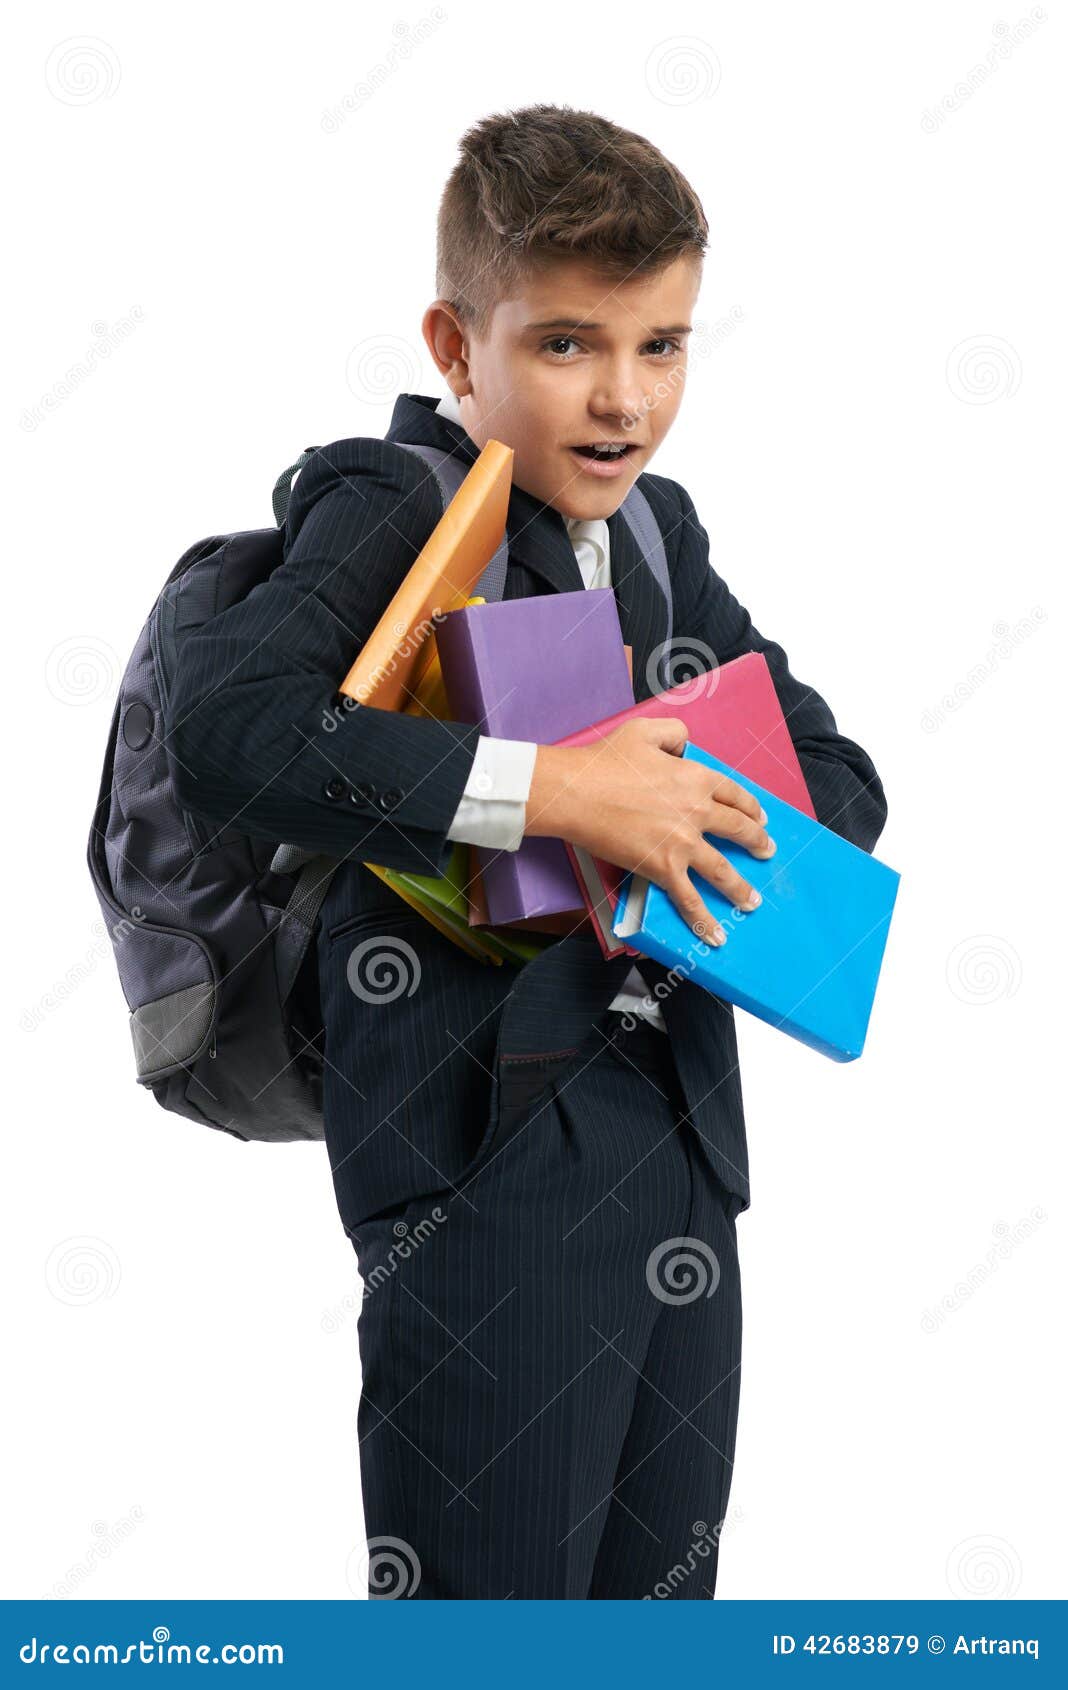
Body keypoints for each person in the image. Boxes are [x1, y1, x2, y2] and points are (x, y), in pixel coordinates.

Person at [170, 104, 888, 1599]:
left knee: (656, 1616)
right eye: (567, 344)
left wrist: (673, 811)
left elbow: (839, 774)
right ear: (456, 344)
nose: (623, 399)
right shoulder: (401, 497)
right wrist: (561, 792)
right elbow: (236, 733)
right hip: (480, 1156)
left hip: (680, 1146)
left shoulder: (659, 529)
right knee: (490, 1624)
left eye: (664, 345)